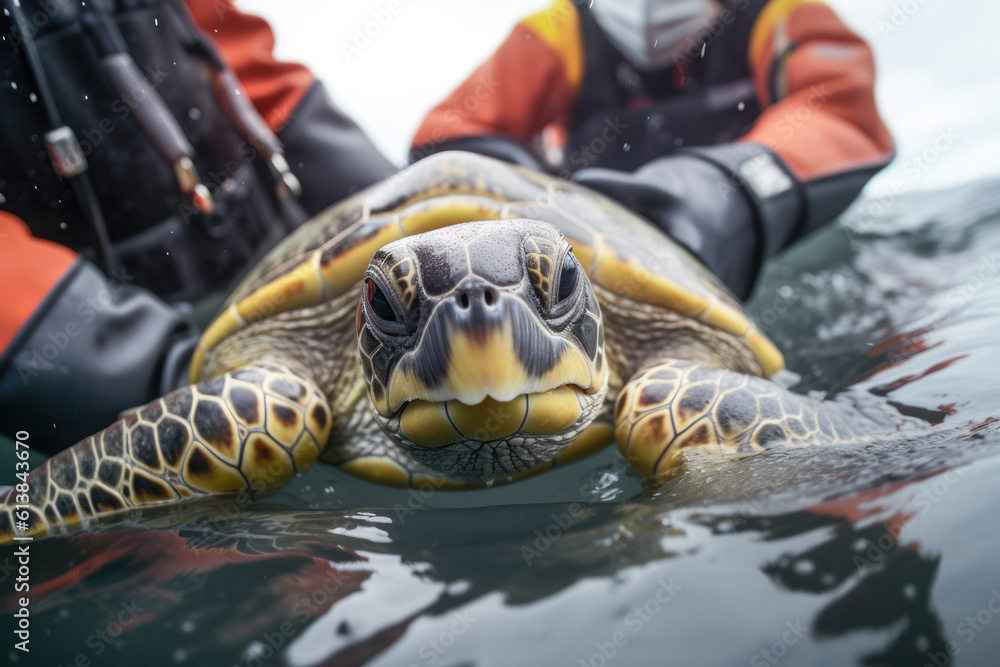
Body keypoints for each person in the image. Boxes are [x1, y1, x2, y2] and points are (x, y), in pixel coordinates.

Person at [0, 0, 395, 451]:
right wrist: (163, 378)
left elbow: (219, 43)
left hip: (269, 265)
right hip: (90, 372)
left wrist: (392, 210)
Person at [410, 0, 894, 300]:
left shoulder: (783, 15)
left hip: (777, 256)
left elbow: (838, 112)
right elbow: (446, 137)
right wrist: (534, 202)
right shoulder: (558, 28)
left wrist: (723, 188)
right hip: (584, 266)